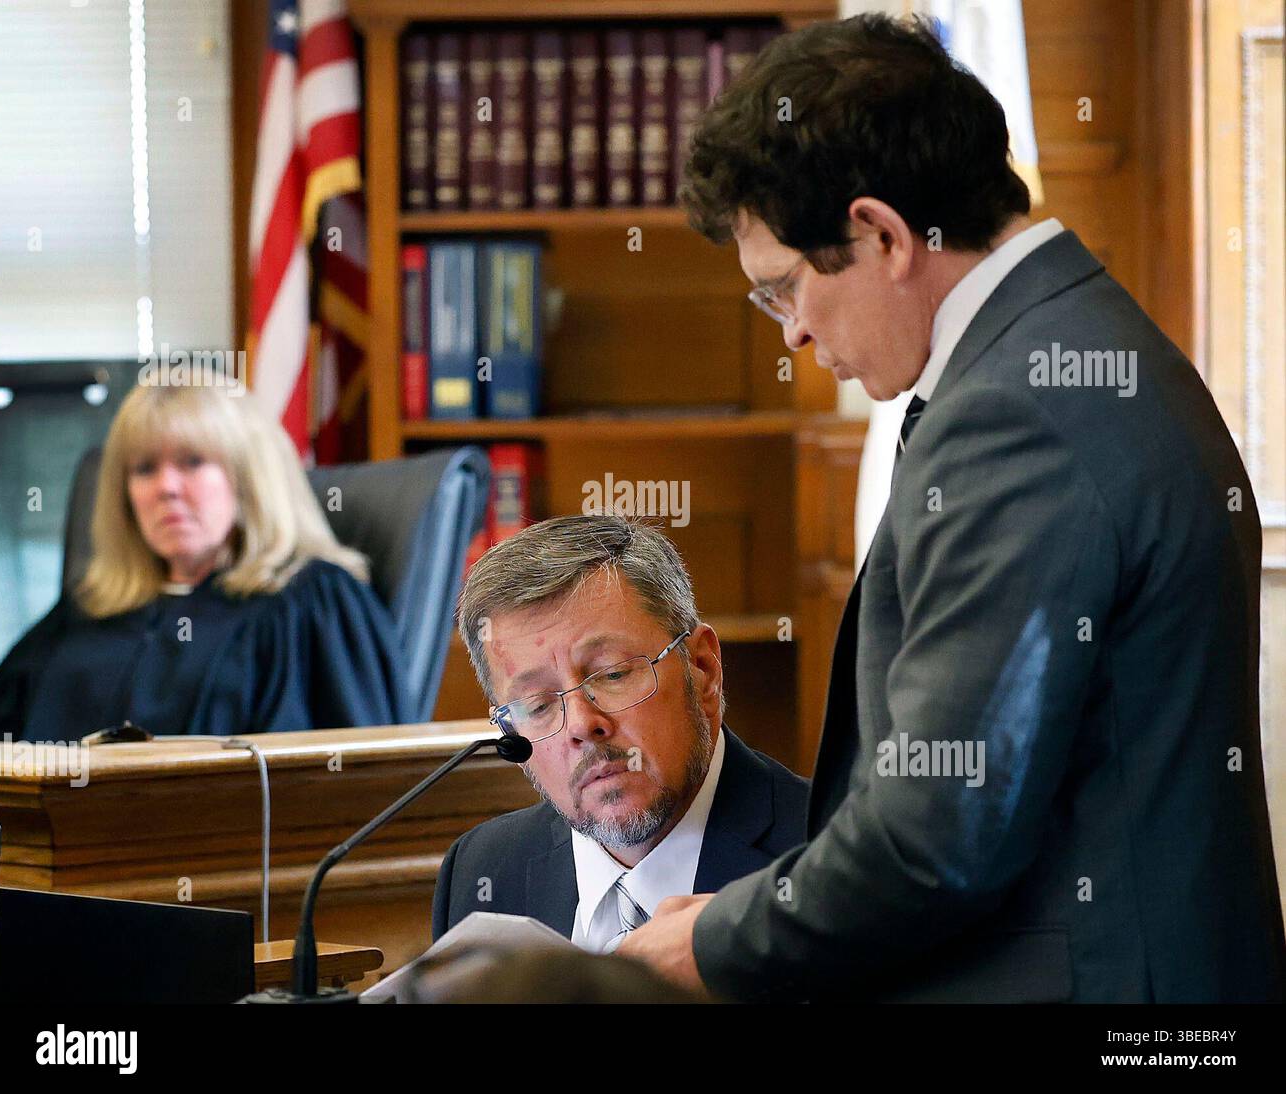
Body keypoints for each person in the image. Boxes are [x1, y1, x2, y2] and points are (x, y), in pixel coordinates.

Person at [618, 14, 1286, 1002]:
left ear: (881, 233)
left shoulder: (1013, 414)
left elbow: (937, 834)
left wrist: (705, 939)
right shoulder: (1066, 341)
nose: (793, 333)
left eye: (782, 291)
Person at [431, 515, 808, 953]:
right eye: (538, 705)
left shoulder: (826, 855)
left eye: (612, 675)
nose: (580, 725)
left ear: (703, 670)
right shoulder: (483, 873)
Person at [0, 381, 415, 742]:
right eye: (144, 468)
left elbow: (369, 787)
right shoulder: (89, 609)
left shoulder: (311, 604)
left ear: (251, 479)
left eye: (192, 461)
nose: (166, 487)